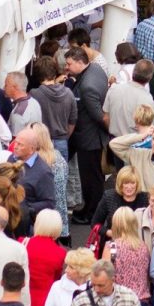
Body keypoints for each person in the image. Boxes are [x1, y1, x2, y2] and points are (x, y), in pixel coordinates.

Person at [66, 47, 109, 224]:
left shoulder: (87, 86)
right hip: (90, 137)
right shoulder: (96, 70)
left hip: (88, 138)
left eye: (69, 64)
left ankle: (92, 213)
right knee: (94, 178)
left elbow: (98, 116)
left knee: (91, 179)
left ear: (79, 62)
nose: (66, 67)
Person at [24, 210, 66, 306]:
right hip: (46, 302)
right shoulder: (60, 252)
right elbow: (57, 278)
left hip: (23, 298)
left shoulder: (23, 243)